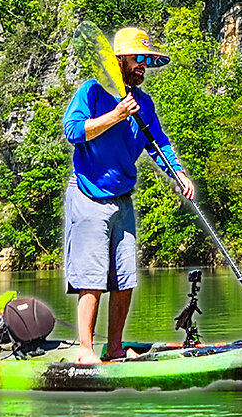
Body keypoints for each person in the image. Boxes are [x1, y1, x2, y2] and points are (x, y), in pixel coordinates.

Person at [62, 26, 196, 364]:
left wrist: (177, 173)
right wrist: (116, 115)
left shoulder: (144, 104)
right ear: (119, 60)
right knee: (91, 280)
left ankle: (116, 347)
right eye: (138, 59)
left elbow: (158, 144)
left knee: (124, 278)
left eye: (147, 60)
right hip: (89, 195)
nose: (144, 66)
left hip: (122, 198)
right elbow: (74, 131)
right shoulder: (92, 92)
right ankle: (86, 351)